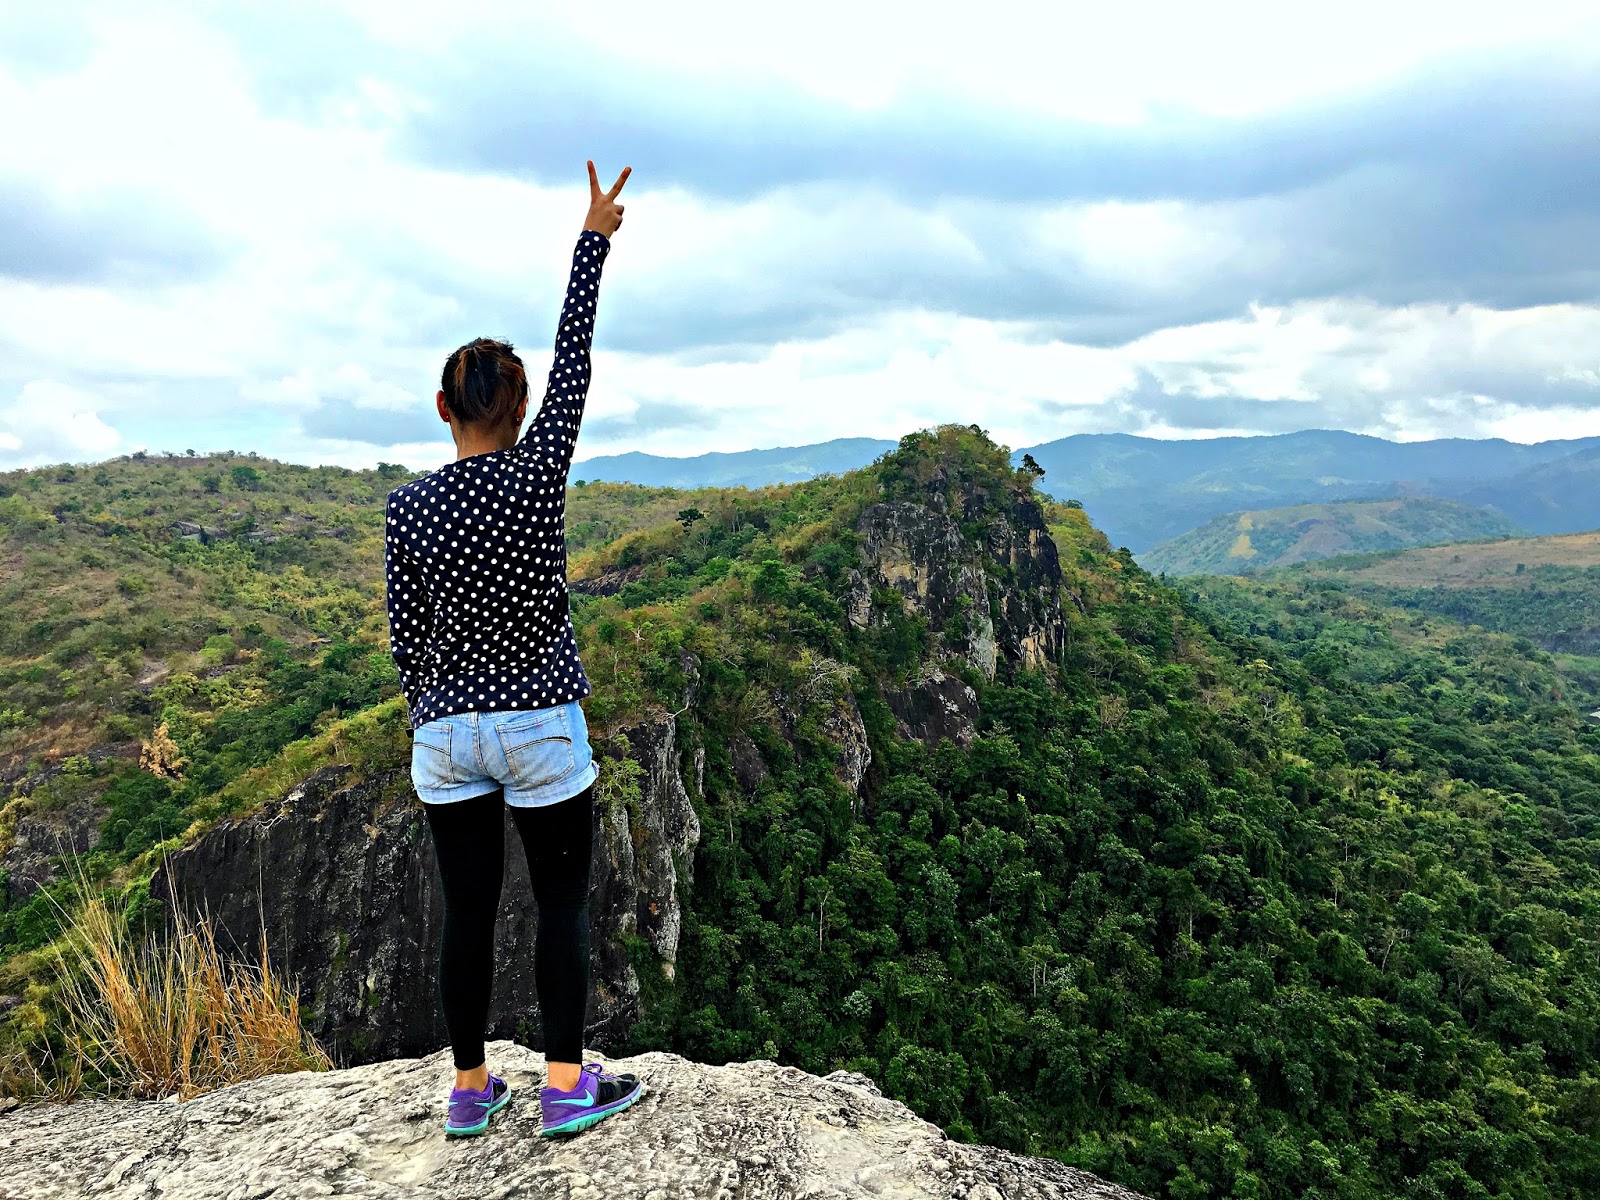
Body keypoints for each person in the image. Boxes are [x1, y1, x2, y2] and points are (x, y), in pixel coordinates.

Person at [383, 160, 643, 1139]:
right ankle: (568, 1086)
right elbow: (573, 355)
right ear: (522, 413)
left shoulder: (408, 507)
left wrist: (436, 707)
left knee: (467, 913)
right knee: (561, 907)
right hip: (540, 720)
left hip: (446, 729)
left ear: (443, 408)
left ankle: (468, 1090)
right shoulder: (537, 476)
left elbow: (407, 635)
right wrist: (594, 239)